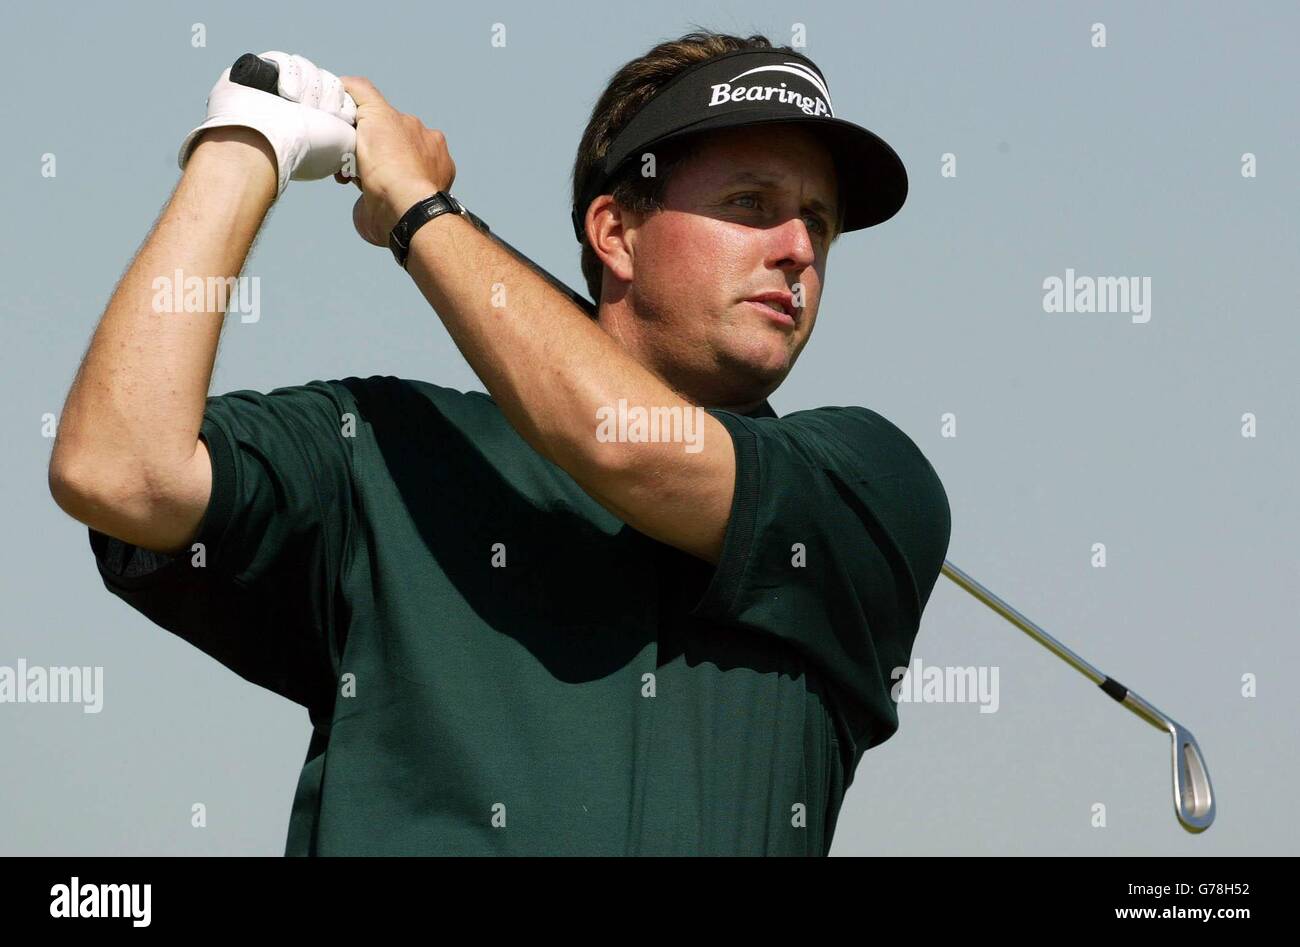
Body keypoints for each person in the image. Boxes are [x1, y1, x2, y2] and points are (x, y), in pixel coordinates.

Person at [48, 30, 950, 856]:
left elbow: (623, 442)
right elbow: (118, 470)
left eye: (819, 223)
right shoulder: (387, 451)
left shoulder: (870, 486)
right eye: (751, 203)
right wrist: (246, 142)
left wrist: (417, 208)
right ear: (616, 233)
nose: (798, 247)